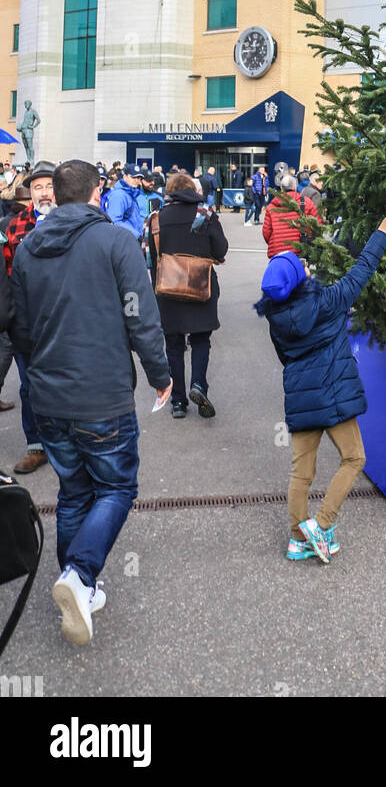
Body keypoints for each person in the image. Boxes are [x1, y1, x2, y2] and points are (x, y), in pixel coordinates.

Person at [9, 159, 171, 644]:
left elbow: (20, 327)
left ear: (54, 195)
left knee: (75, 492)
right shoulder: (117, 240)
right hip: (102, 394)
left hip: (50, 395)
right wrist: (161, 375)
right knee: (118, 488)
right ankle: (79, 574)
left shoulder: (27, 249)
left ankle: (79, 583)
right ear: (96, 191)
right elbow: (139, 316)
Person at [254, 207, 386, 564]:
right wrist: (381, 231)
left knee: (301, 470)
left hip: (301, 398)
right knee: (354, 458)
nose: (304, 264)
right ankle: (322, 524)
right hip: (334, 393)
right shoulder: (329, 302)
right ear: (298, 280)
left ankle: (296, 539)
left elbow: (285, 359)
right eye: (299, 265)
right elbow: (361, 272)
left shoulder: (276, 319)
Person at [145, 173, 227, 419]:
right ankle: (198, 384)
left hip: (168, 289)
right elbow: (221, 249)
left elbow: (151, 257)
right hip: (201, 286)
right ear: (193, 190)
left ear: (169, 191)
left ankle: (178, 401)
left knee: (173, 345)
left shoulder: (157, 218)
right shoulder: (207, 215)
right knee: (201, 340)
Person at [3, 161, 57, 474]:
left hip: (63, 322)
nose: (44, 193)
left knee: (66, 382)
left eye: (49, 186)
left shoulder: (74, 222)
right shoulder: (14, 226)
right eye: (37, 187)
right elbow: (6, 275)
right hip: (25, 323)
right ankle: (36, 446)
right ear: (30, 193)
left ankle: (69, 443)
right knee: (28, 387)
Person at [262, 174, 321, 257]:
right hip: (300, 250)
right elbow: (317, 225)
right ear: (295, 187)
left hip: (277, 251)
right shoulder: (306, 202)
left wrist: (275, 242)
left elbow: (266, 232)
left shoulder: (271, 207)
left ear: (281, 188)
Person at [104, 163, 145, 239]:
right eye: (133, 177)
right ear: (125, 177)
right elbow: (114, 221)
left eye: (139, 177)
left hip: (130, 239)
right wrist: (136, 236)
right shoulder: (119, 195)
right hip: (124, 241)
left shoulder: (131, 193)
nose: (136, 180)